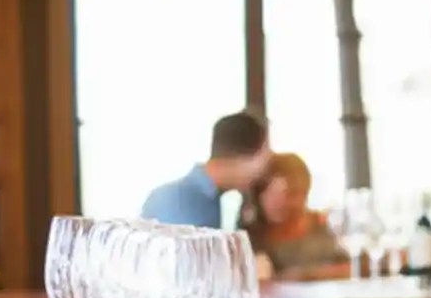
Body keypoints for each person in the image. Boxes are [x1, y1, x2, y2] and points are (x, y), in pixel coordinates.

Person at [141, 112, 272, 228]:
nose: (265, 169)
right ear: (243, 158)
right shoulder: (179, 200)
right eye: (264, 154)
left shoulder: (211, 200)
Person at [241, 152, 349, 280]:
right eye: (275, 195)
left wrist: (305, 276)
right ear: (261, 195)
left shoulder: (319, 225)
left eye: (291, 195)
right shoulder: (250, 238)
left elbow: (352, 266)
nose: (282, 203)